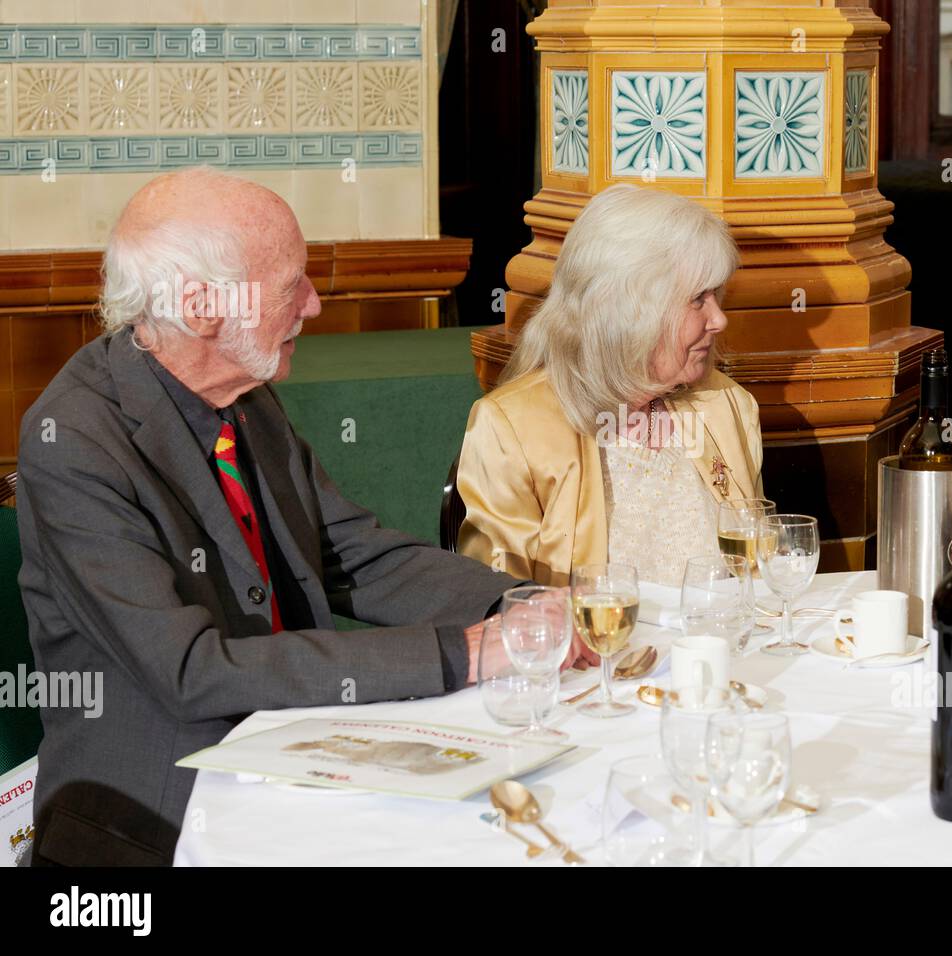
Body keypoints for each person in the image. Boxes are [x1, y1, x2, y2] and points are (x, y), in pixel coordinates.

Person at [15, 167, 588, 866]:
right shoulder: (74, 440)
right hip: (151, 811)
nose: (315, 304)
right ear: (200, 308)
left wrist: (523, 606)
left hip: (293, 749)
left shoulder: (244, 396)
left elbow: (354, 554)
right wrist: (462, 653)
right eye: (292, 286)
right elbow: (193, 671)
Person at [457, 184, 764, 586]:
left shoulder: (726, 406)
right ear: (629, 311)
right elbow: (499, 605)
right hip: (592, 645)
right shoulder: (510, 429)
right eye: (698, 299)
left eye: (717, 295)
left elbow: (756, 579)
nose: (719, 319)